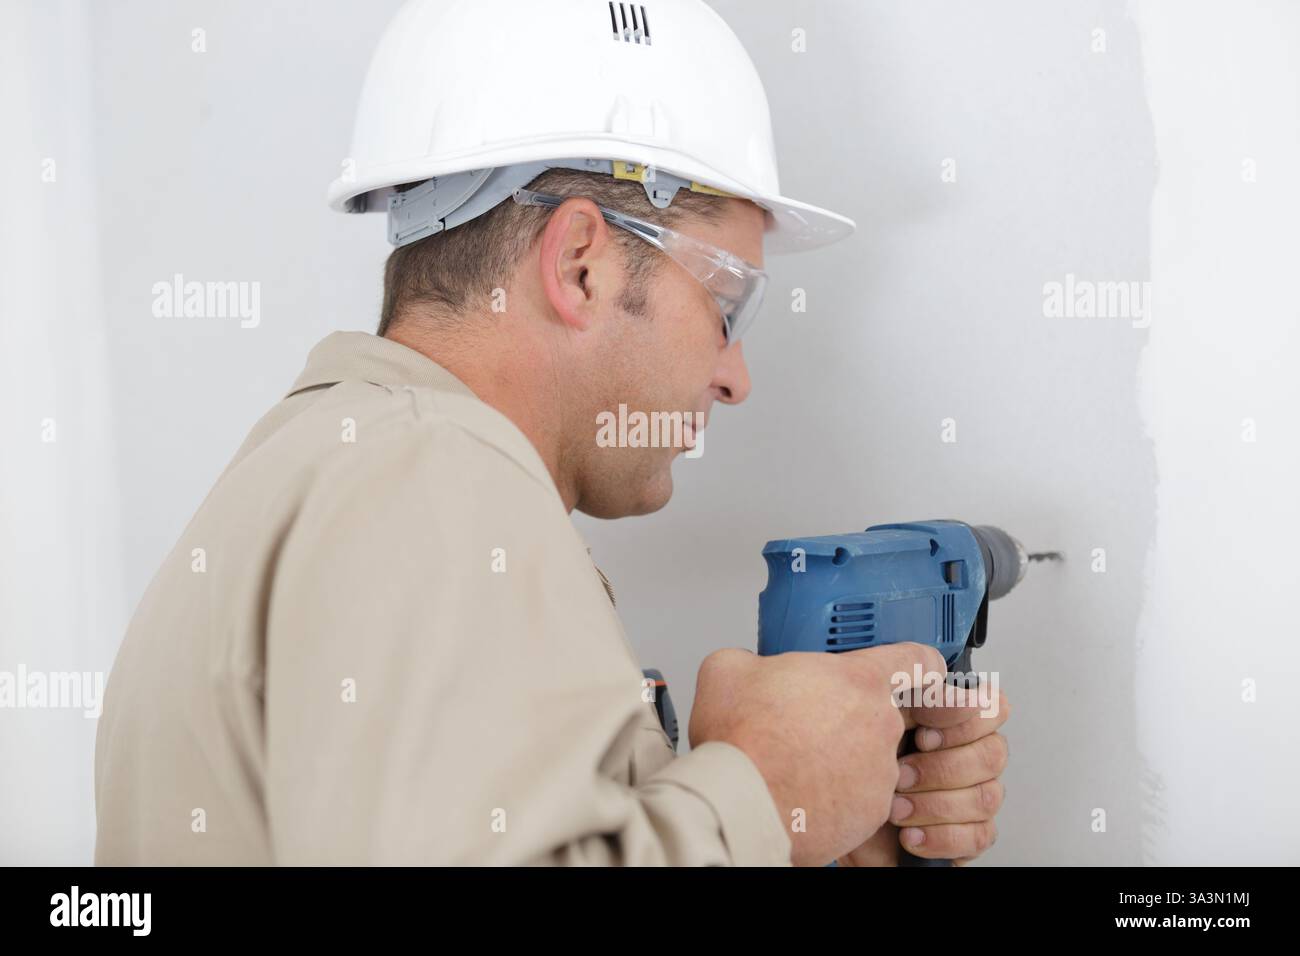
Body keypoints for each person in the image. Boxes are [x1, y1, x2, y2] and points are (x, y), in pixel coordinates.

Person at [95, 0, 1008, 866]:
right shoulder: (433, 479)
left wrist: (811, 834)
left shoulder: (332, 464)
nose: (736, 376)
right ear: (579, 266)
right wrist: (760, 794)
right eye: (727, 303)